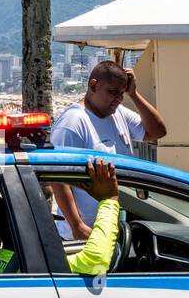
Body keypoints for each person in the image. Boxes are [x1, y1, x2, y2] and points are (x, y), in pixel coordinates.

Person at [50, 61, 166, 238]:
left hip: (114, 227)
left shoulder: (118, 113)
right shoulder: (73, 123)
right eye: (113, 92)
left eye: (121, 94)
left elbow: (157, 131)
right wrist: (76, 225)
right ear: (94, 85)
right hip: (86, 233)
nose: (118, 99)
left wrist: (133, 94)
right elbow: (58, 179)